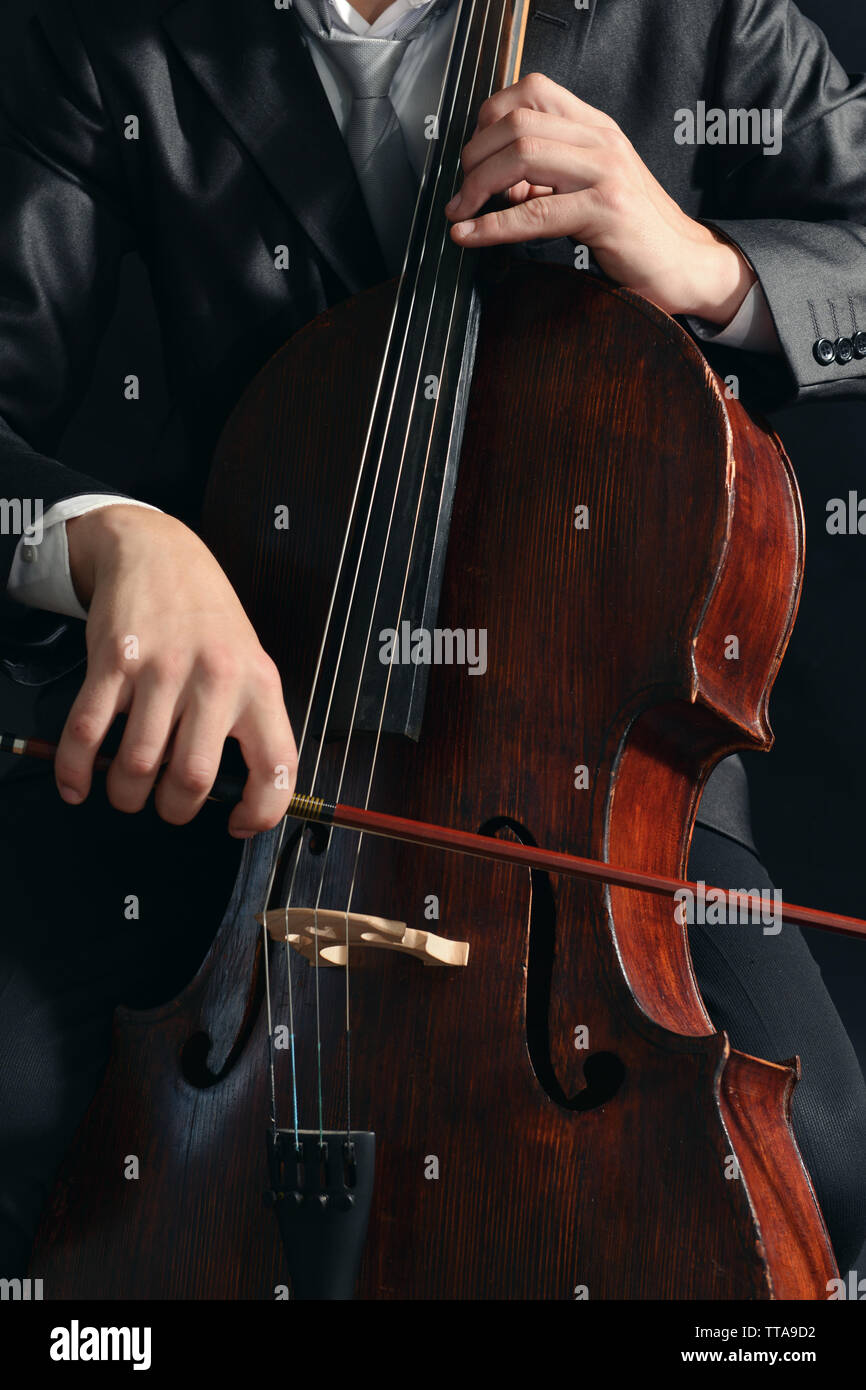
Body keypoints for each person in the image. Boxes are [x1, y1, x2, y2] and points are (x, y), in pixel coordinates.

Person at [0, 0, 865, 1288]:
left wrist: (711, 268)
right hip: (260, 755)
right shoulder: (108, 35)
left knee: (815, 1159)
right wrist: (111, 534)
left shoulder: (710, 17)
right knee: (21, 1111)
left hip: (595, 780)